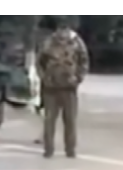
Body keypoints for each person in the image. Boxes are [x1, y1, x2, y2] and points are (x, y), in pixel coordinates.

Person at [36, 18, 90, 158]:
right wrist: (44, 77)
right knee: (49, 120)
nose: (63, 32)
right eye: (61, 28)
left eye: (65, 28)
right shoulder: (48, 42)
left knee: (70, 121)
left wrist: (78, 78)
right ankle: (48, 150)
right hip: (51, 88)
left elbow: (84, 61)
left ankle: (70, 150)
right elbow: (40, 61)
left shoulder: (77, 42)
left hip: (69, 88)